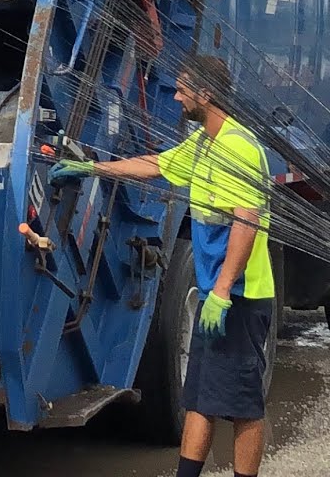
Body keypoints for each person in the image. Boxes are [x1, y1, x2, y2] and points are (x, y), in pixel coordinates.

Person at [50, 54, 274, 477]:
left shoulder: (238, 146)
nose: (175, 95)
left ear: (205, 94)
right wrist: (92, 167)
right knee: (199, 398)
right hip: (214, 293)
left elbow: (247, 219)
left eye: (182, 88)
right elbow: (155, 165)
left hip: (242, 298)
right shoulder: (204, 142)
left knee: (243, 405)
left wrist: (224, 290)